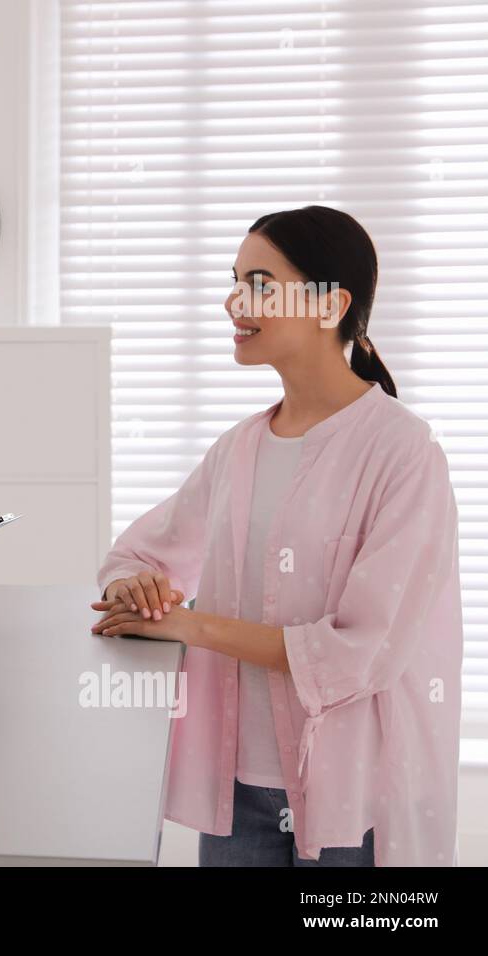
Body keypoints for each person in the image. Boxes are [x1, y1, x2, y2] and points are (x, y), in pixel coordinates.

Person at [90, 205, 463, 866]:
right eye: (234, 280)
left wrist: (190, 625)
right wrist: (137, 586)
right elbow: (136, 555)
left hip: (356, 793)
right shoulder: (237, 451)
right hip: (240, 793)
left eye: (259, 283)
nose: (234, 301)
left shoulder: (403, 452)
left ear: (330, 304)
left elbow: (365, 653)